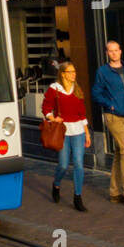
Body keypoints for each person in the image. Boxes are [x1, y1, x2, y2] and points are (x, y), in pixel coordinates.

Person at [92, 40, 124, 208]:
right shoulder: (103, 72)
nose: (114, 53)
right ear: (107, 53)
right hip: (113, 116)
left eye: (116, 50)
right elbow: (96, 93)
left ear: (120, 51)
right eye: (110, 51)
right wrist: (109, 104)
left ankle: (114, 192)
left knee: (120, 153)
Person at [43, 60, 91, 211]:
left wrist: (87, 134)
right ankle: (56, 185)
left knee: (78, 164)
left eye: (74, 71)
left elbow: (82, 113)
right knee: (63, 165)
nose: (74, 74)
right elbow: (46, 107)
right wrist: (53, 118)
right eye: (70, 72)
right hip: (62, 132)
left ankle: (78, 197)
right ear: (63, 74)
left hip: (78, 132)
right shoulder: (54, 89)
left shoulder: (77, 89)